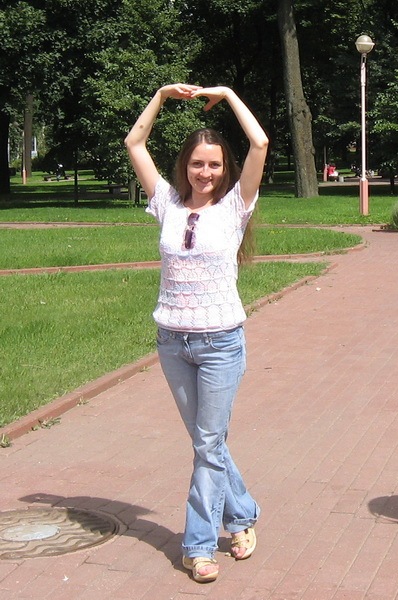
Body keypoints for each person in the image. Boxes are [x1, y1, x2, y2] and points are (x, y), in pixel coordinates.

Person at [125, 84, 269, 583]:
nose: (204, 172)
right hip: (173, 342)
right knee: (208, 443)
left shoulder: (235, 207)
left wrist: (227, 94)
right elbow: (135, 143)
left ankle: (199, 546)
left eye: (213, 165)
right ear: (184, 166)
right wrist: (161, 95)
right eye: (196, 164)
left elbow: (260, 142)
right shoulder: (166, 203)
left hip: (220, 344)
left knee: (208, 445)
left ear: (224, 169)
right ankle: (243, 514)